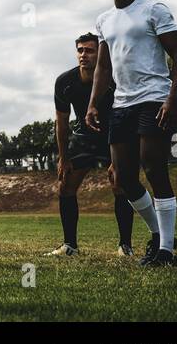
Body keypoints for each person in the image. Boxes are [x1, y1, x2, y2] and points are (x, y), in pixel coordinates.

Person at [85, 0, 177, 267]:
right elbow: (103, 67)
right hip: (122, 104)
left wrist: (172, 100)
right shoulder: (104, 19)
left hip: (154, 99)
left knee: (155, 169)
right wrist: (93, 103)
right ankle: (158, 236)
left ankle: (167, 252)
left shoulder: (154, 10)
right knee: (125, 179)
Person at [45, 33, 135, 256]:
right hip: (83, 138)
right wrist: (63, 158)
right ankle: (69, 246)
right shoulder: (65, 82)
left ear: (100, 53)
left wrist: (117, 159)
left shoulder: (114, 79)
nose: (83, 54)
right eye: (80, 50)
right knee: (65, 186)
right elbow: (62, 123)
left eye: (89, 50)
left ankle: (125, 246)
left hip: (113, 136)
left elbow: (125, 116)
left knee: (119, 184)